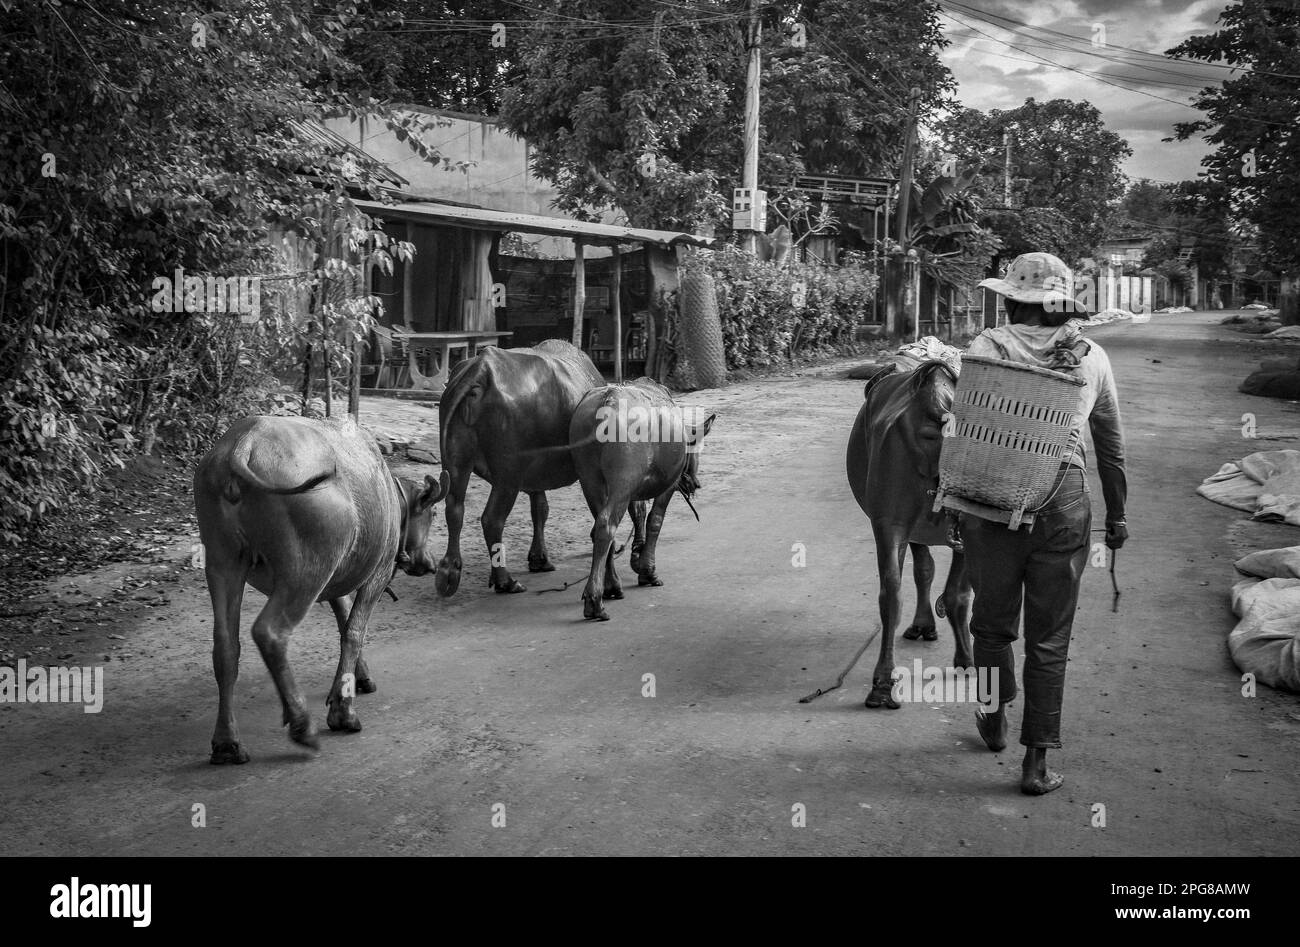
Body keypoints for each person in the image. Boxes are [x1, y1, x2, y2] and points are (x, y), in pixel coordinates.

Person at [964, 252, 1128, 795]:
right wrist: (1119, 514)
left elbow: (965, 427)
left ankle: (992, 713)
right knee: (1050, 638)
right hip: (1063, 496)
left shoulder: (986, 347)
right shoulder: (1093, 357)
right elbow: (1109, 445)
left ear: (1010, 298)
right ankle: (1036, 764)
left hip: (990, 495)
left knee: (989, 626)